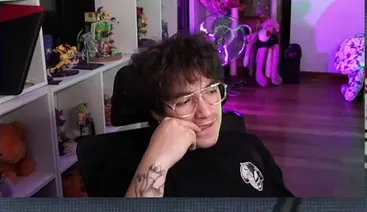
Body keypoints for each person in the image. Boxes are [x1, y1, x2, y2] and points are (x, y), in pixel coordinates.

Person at [100, 34, 293, 197]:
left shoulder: (250, 145)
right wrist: (157, 161)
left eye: (211, 91)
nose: (206, 112)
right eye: (184, 101)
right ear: (158, 113)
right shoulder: (140, 169)